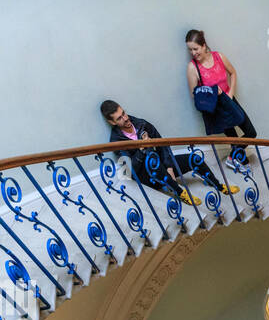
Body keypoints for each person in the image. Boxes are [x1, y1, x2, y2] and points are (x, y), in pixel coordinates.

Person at [99, 100, 238, 200]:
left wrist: (170, 167)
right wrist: (141, 149)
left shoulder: (141, 123)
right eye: (120, 118)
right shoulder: (116, 141)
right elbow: (129, 171)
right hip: (147, 177)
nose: (126, 118)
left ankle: (218, 185)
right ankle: (180, 192)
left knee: (194, 158)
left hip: (163, 168)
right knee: (151, 159)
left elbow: (163, 145)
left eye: (124, 113)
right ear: (112, 122)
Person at [185, 30, 257, 170]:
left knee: (251, 132)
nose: (193, 53)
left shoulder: (219, 57)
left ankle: (232, 158)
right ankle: (240, 160)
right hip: (217, 108)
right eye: (190, 50)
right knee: (233, 139)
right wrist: (212, 93)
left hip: (229, 100)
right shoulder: (192, 68)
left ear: (204, 46)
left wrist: (231, 93)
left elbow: (233, 73)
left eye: (196, 48)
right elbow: (194, 94)